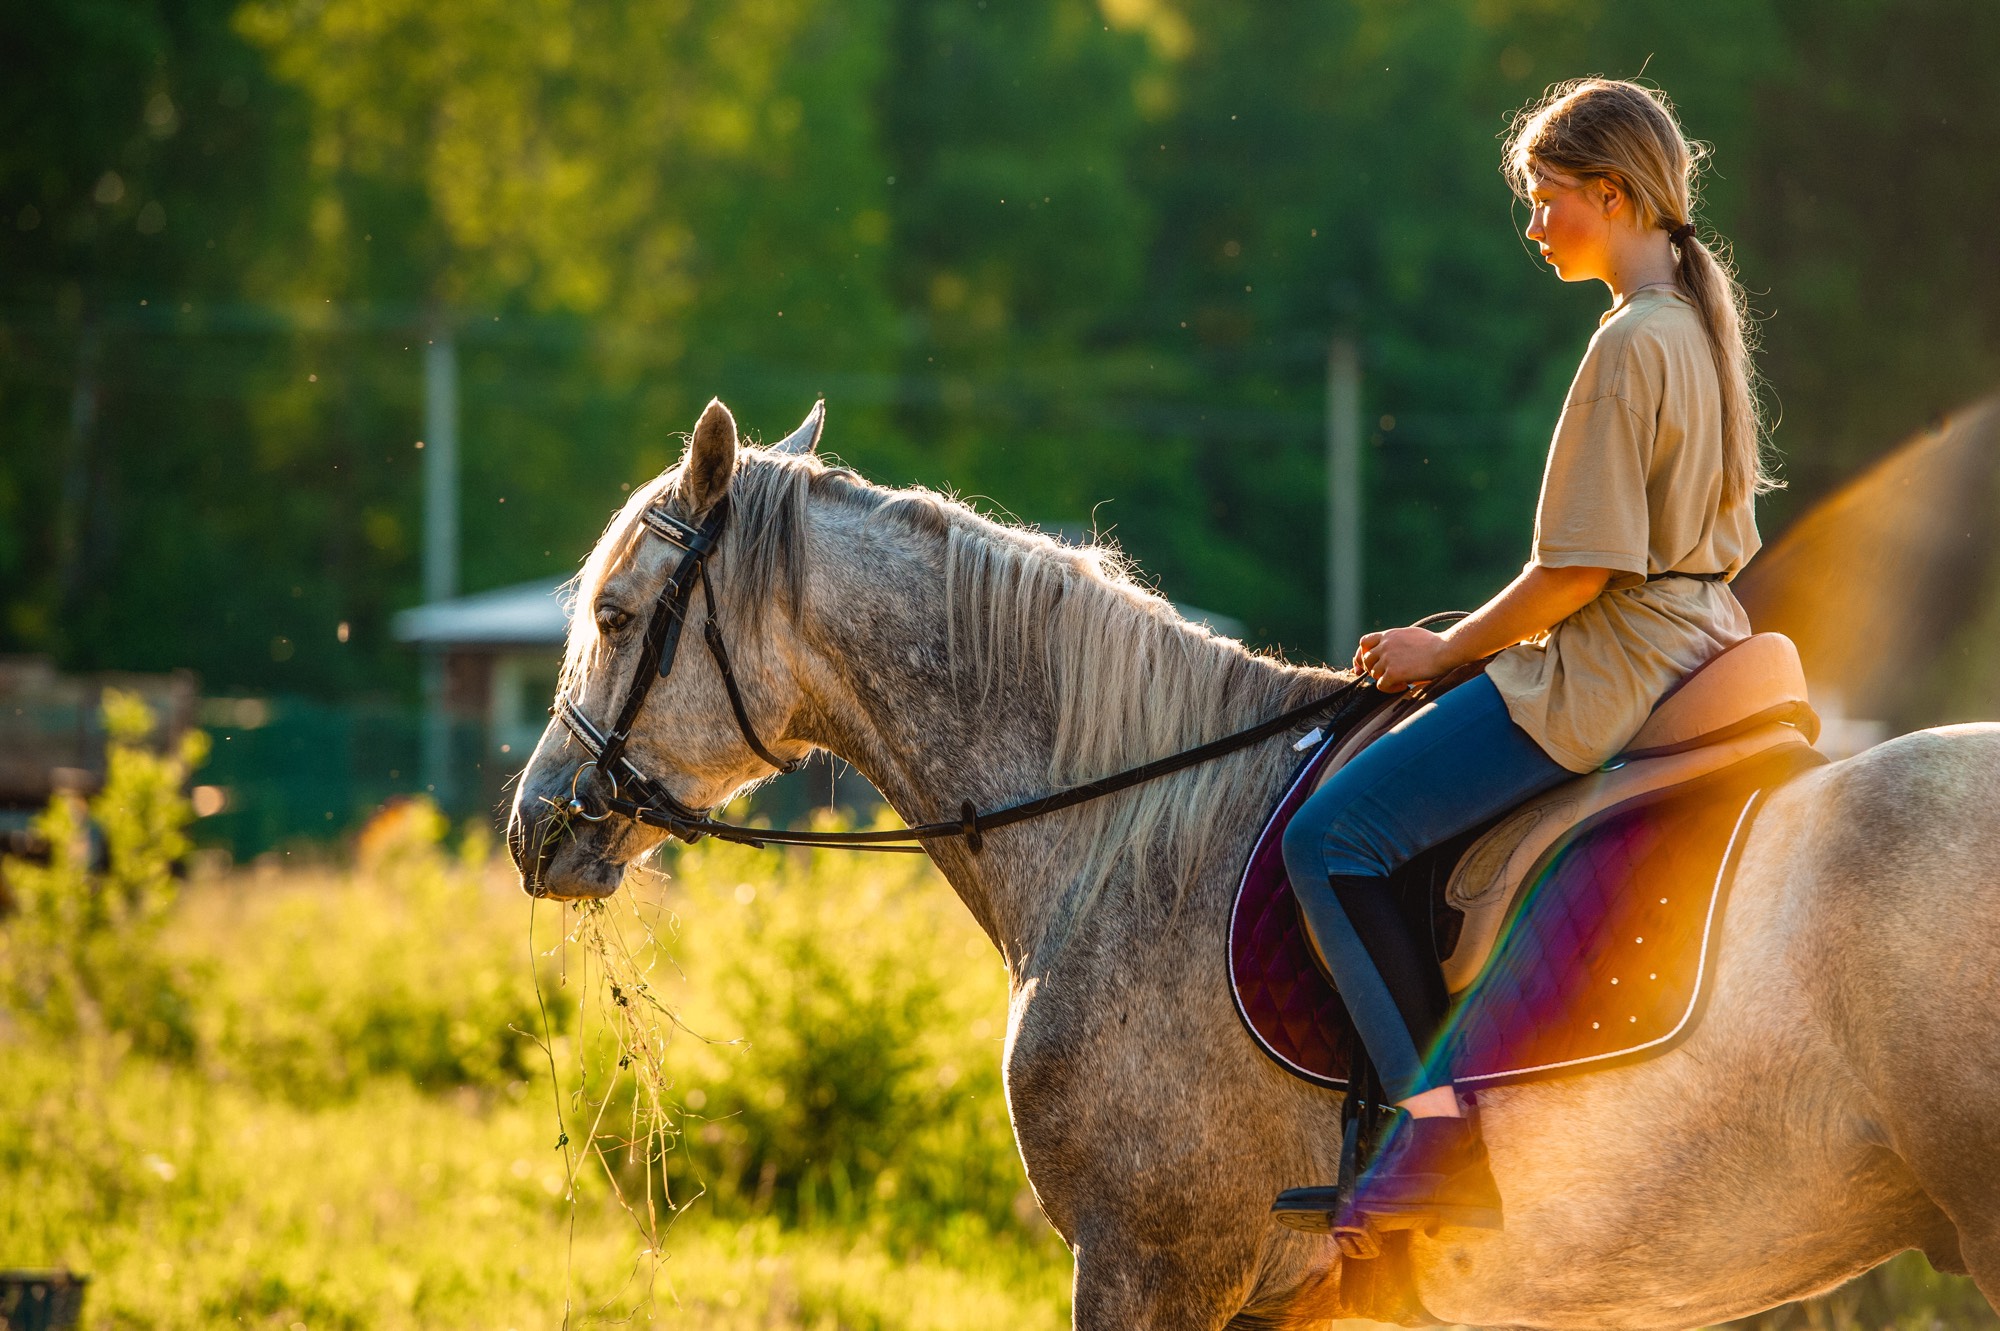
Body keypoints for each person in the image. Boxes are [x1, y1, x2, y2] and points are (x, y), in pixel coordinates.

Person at [1270, 77, 1777, 1239]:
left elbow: (1572, 577)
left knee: (1330, 839)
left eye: (1546, 202)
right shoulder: (1694, 325)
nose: (1534, 227)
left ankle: (1433, 1141)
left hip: (1606, 667)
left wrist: (1440, 648)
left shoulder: (1626, 344)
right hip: (1689, 634)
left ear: (1610, 195)